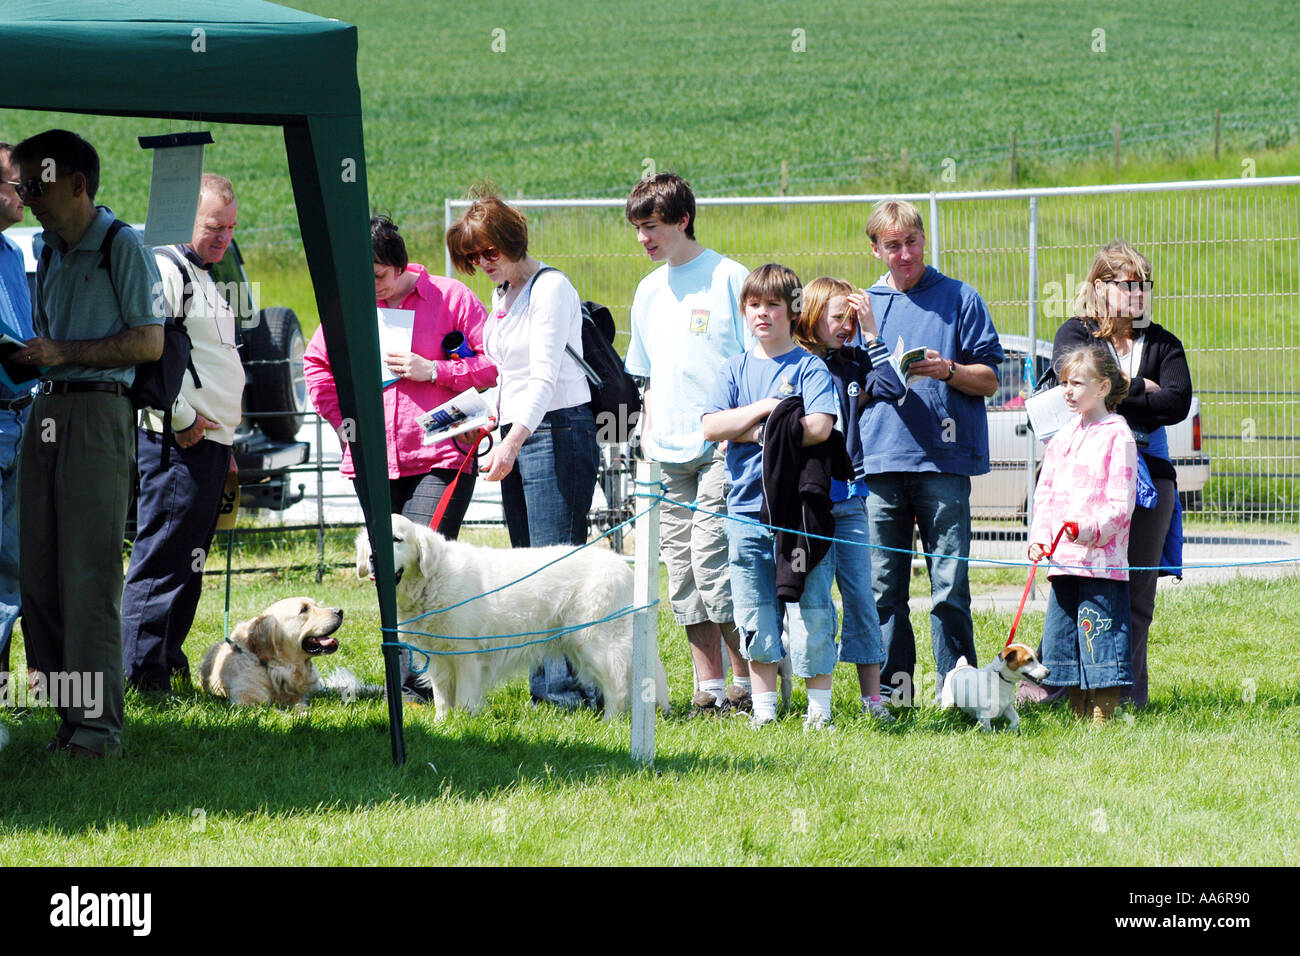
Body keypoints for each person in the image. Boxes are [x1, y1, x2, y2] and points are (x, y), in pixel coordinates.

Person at [10, 129, 164, 757]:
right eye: (20, 187)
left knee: (89, 574)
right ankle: (69, 717)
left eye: (36, 186)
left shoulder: (121, 245)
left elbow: (148, 342)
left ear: (77, 184)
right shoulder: (46, 250)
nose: (27, 198)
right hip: (44, 412)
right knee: (38, 576)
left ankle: (98, 729)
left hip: (99, 417)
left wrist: (63, 353)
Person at [305, 215, 496, 703]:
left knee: (422, 565)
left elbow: (493, 362)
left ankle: (425, 685)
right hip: (372, 459)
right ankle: (408, 681)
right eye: (360, 278)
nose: (371, 287)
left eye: (377, 276)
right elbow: (317, 366)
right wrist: (346, 422)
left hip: (439, 455)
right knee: (384, 565)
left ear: (398, 263)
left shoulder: (451, 298)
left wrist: (434, 368)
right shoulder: (351, 306)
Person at [445, 192, 602, 709]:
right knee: (528, 565)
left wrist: (511, 442)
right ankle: (551, 686)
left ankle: (566, 691)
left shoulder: (550, 288)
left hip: (557, 431)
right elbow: (508, 378)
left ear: (512, 241)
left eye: (488, 253)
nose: (482, 266)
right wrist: (476, 420)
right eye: (473, 259)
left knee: (555, 567)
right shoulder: (505, 293)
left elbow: (543, 377)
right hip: (520, 428)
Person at [853, 199, 1003, 707]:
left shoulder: (960, 298)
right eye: (892, 245)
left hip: (942, 462)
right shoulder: (863, 306)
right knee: (883, 589)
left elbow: (990, 378)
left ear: (924, 240)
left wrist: (949, 372)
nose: (904, 254)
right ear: (875, 249)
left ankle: (957, 695)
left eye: (911, 241)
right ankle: (896, 699)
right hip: (879, 463)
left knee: (949, 585)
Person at [623, 172, 753, 715]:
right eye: (636, 228)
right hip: (666, 454)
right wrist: (648, 437)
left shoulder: (729, 277)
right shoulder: (649, 290)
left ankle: (752, 684)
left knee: (714, 562)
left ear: (683, 220)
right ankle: (710, 690)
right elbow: (647, 375)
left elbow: (757, 363)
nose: (642, 239)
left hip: (723, 448)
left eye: (651, 227)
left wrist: (740, 436)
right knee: (681, 572)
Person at [1047, 240, 1190, 709]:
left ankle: (1128, 699)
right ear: (1098, 286)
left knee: (1136, 590)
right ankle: (1074, 695)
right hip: (1084, 475)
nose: (1138, 293)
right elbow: (1072, 379)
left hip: (1151, 475)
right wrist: (1139, 389)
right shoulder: (1076, 331)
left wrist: (1112, 391)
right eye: (1126, 284)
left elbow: (1177, 402)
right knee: (1080, 585)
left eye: (1143, 284)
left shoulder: (1163, 342)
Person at [120, 173, 247, 693]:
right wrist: (183, 419)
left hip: (208, 442)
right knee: (163, 559)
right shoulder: (167, 269)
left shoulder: (206, 275)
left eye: (231, 228)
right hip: (178, 442)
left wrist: (225, 442)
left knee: (188, 562)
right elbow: (149, 359)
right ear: (185, 220)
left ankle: (165, 664)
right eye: (214, 226)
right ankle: (141, 678)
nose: (224, 238)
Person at [701, 264, 840, 730]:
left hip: (801, 515)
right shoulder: (734, 368)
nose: (763, 313)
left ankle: (818, 714)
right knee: (755, 612)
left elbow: (820, 427)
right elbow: (711, 426)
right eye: (755, 304)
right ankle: (763, 713)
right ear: (744, 310)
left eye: (774, 304)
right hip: (744, 512)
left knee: (812, 611)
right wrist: (767, 409)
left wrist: (756, 432)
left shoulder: (810, 366)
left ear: (791, 310)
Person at [793, 276, 904, 721]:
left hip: (853, 498)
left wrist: (873, 335)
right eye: (837, 317)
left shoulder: (856, 362)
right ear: (813, 314)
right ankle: (817, 708)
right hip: (809, 499)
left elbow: (894, 388)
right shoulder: (796, 364)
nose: (846, 326)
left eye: (851, 319)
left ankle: (872, 702)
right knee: (815, 600)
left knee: (862, 596)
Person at [1030, 345, 1137, 722]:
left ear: (1104, 387)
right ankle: (1077, 718)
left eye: (1077, 383)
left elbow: (1121, 504)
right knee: (1066, 642)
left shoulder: (1117, 435)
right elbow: (1045, 494)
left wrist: (1089, 530)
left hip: (1100, 563)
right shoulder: (1062, 436)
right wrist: (1040, 537)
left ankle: (1102, 719)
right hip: (1063, 562)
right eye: (1064, 383)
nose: (1068, 391)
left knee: (1100, 640)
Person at [0, 142, 34, 683]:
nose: (27, 192)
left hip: (20, 422)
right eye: (17, 182)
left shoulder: (11, 252)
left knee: (13, 570)